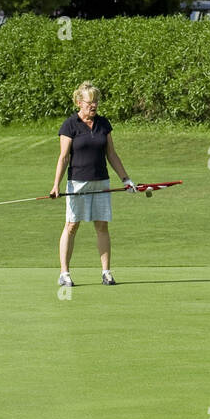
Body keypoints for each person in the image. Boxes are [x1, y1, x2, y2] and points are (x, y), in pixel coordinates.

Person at [50, 82, 135, 287]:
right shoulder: (69, 125)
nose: (94, 105)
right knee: (71, 226)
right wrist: (56, 185)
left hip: (101, 181)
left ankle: (106, 272)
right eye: (90, 102)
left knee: (102, 225)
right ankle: (64, 273)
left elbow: (111, 154)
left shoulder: (103, 124)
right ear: (79, 102)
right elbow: (63, 158)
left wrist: (126, 179)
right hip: (77, 182)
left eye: (96, 102)